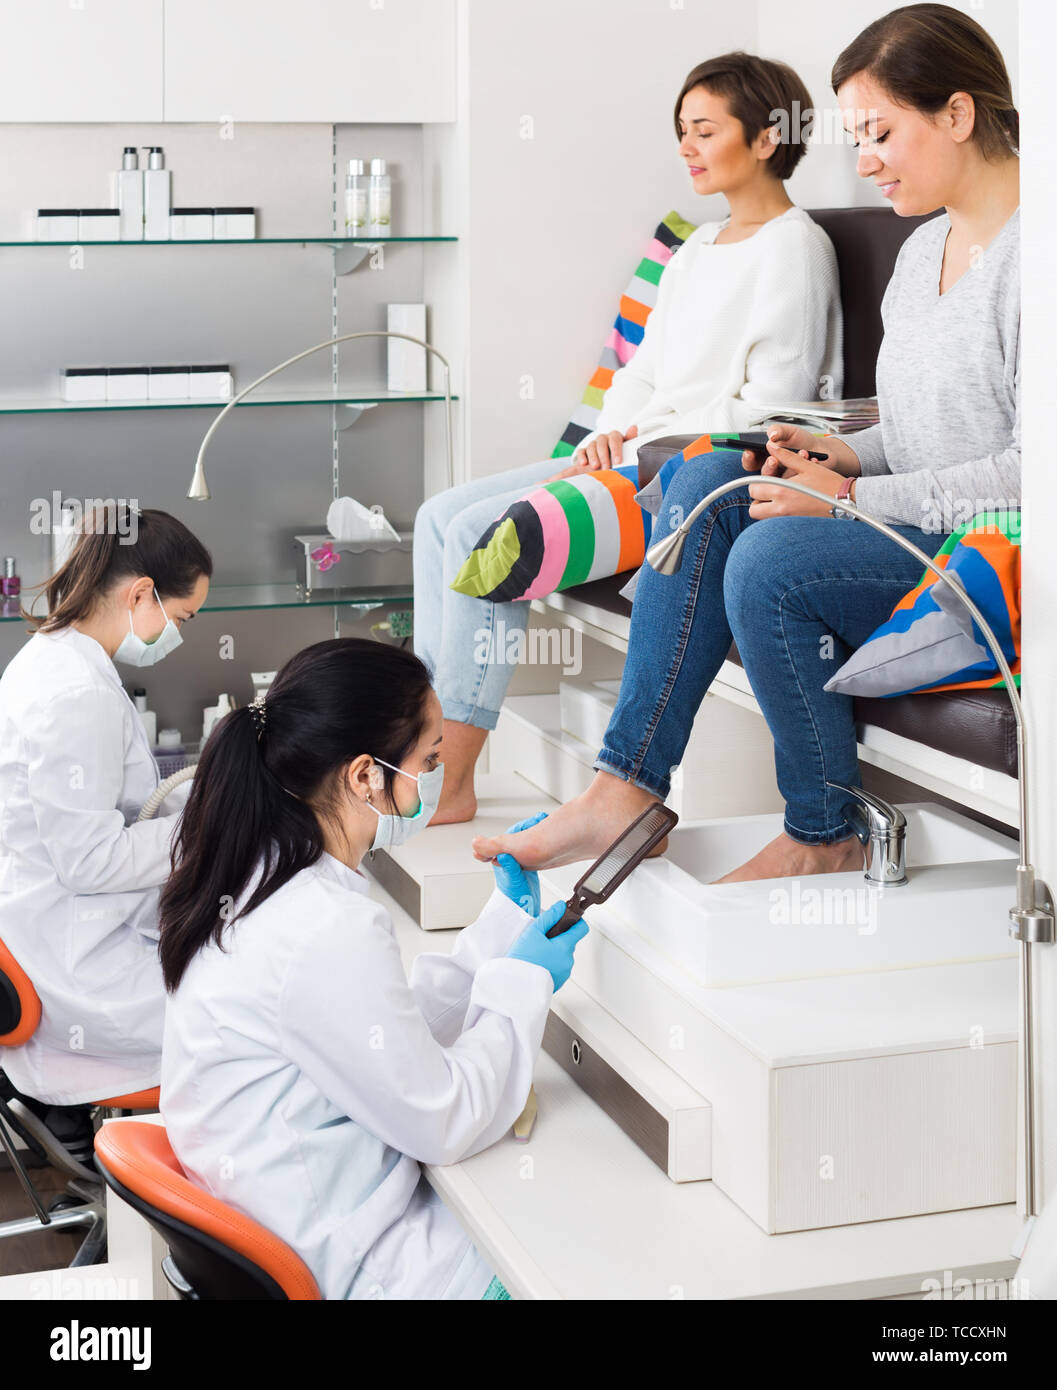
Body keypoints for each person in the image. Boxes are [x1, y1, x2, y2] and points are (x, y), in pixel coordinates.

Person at [472, 3, 1019, 884]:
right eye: (853, 137)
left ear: (956, 114)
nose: (864, 159)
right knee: (710, 474)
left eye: (879, 133)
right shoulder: (923, 254)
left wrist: (848, 500)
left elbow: (1033, 473)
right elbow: (915, 436)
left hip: (1000, 549)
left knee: (765, 563)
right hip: (910, 520)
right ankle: (628, 785)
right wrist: (840, 457)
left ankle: (822, 828)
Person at [414, 50, 843, 825]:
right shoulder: (697, 248)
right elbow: (641, 371)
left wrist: (641, 447)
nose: (685, 146)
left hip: (690, 478)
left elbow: (770, 411)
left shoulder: (795, 249)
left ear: (766, 137)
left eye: (703, 129)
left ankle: (451, 781)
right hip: (632, 453)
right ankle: (420, 744)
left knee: (484, 534)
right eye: (681, 130)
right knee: (439, 515)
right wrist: (607, 434)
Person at [159, 638, 586, 1300]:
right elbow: (440, 1120)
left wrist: (501, 928)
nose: (433, 780)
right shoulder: (320, 924)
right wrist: (521, 983)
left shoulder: (261, 874)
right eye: (429, 760)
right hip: (352, 1260)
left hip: (285, 1208)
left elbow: (381, 1029)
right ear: (364, 775)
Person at [0, 506, 211, 1136]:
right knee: (250, 1010)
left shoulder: (57, 657)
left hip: (50, 931)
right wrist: (204, 830)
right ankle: (198, 1203)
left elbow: (116, 812)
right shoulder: (78, 693)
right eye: (181, 618)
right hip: (75, 972)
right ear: (141, 593)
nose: (180, 634)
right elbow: (90, 860)